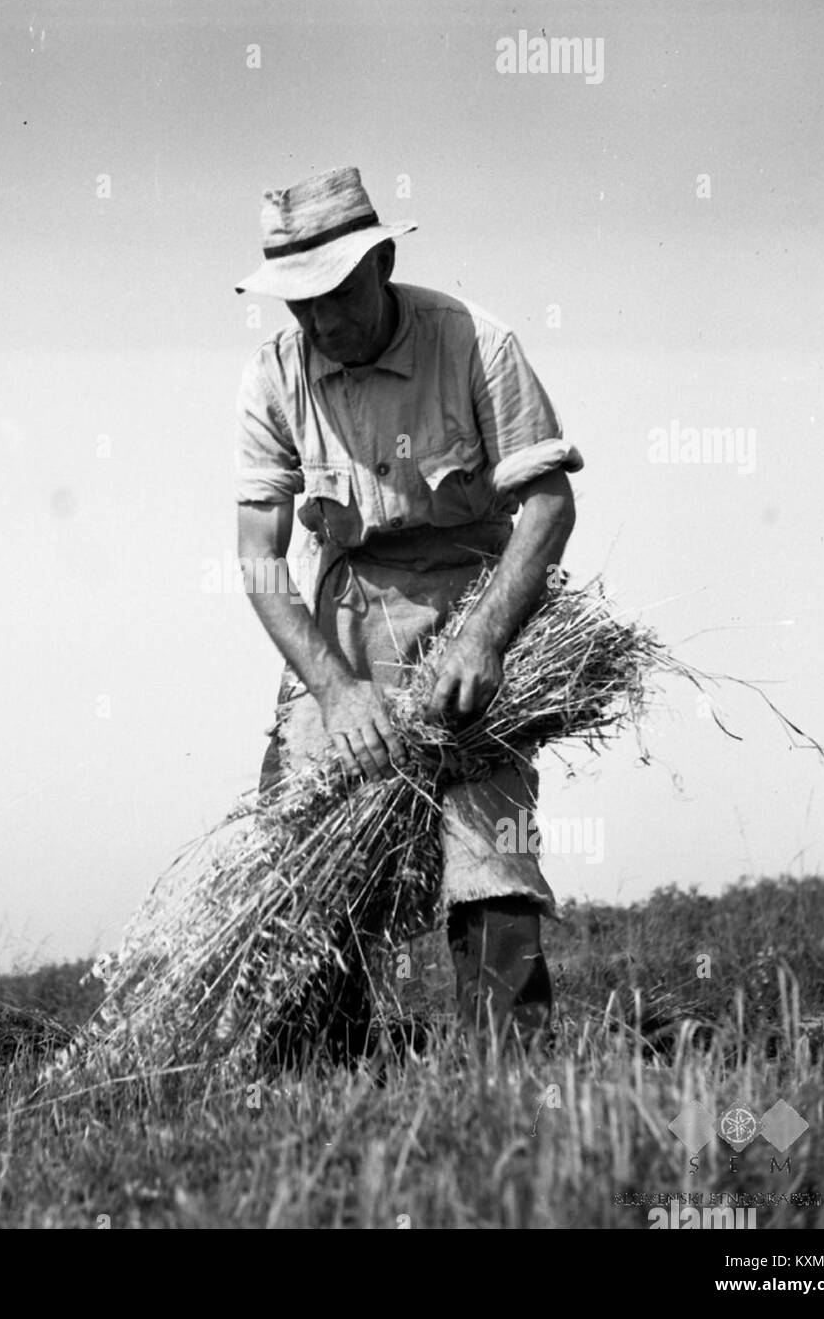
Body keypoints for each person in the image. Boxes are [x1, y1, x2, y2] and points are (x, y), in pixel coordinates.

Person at [232, 166, 583, 1052]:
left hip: (469, 600)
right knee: (314, 853)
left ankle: (510, 1071)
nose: (320, 324)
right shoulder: (274, 377)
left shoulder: (472, 341)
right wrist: (333, 691)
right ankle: (324, 1066)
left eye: (336, 298)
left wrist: (485, 639)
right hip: (344, 624)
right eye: (299, 306)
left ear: (381, 261)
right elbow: (258, 559)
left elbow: (546, 504)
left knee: (487, 848)